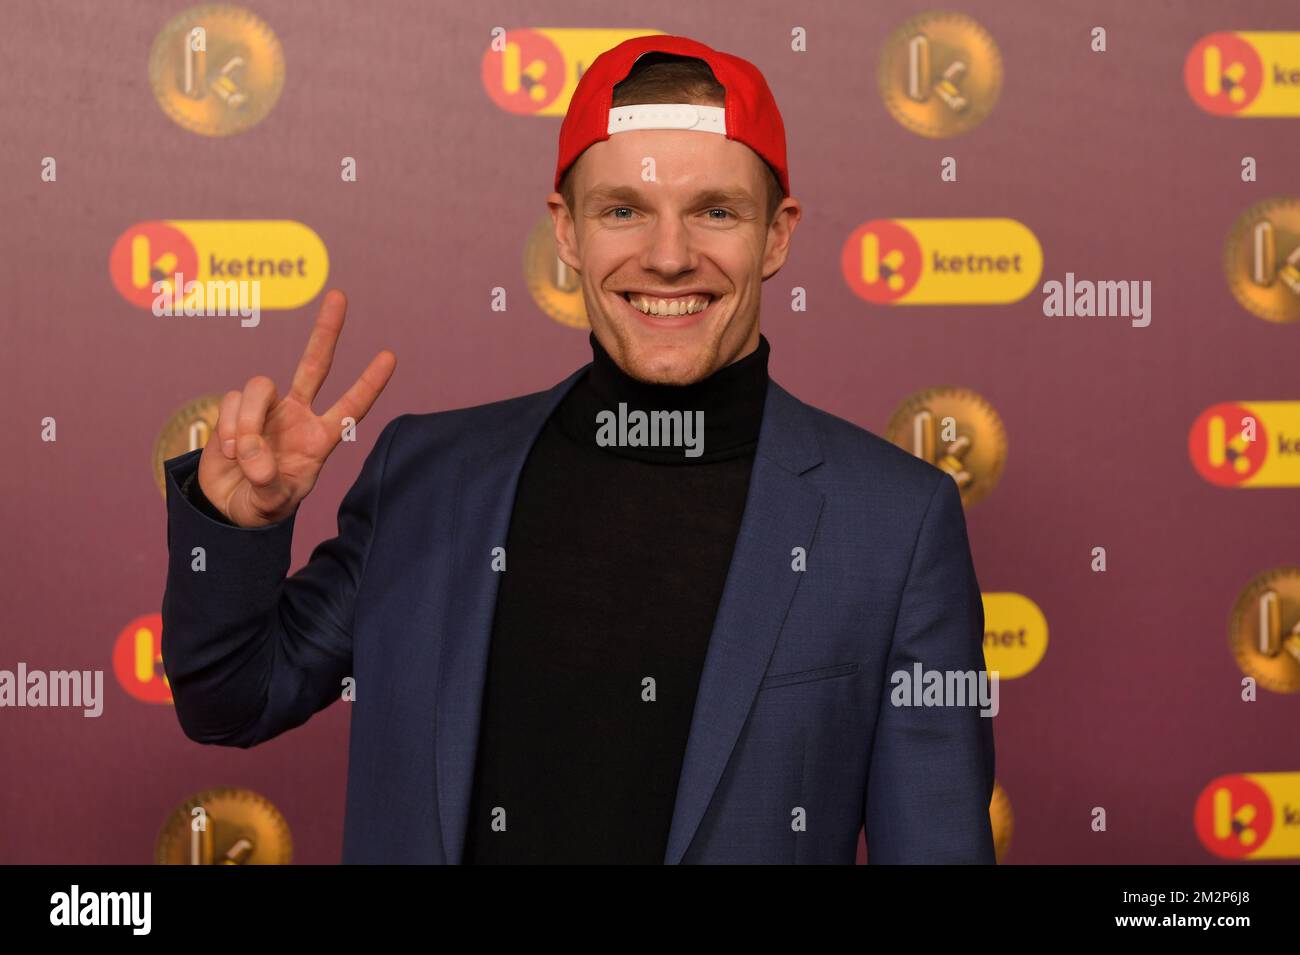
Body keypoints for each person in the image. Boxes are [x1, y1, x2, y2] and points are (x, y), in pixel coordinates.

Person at [161, 34, 995, 864]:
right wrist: (235, 529)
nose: (669, 258)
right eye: (624, 210)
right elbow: (230, 701)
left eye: (715, 211)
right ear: (567, 232)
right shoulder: (428, 476)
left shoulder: (894, 523)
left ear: (777, 237)